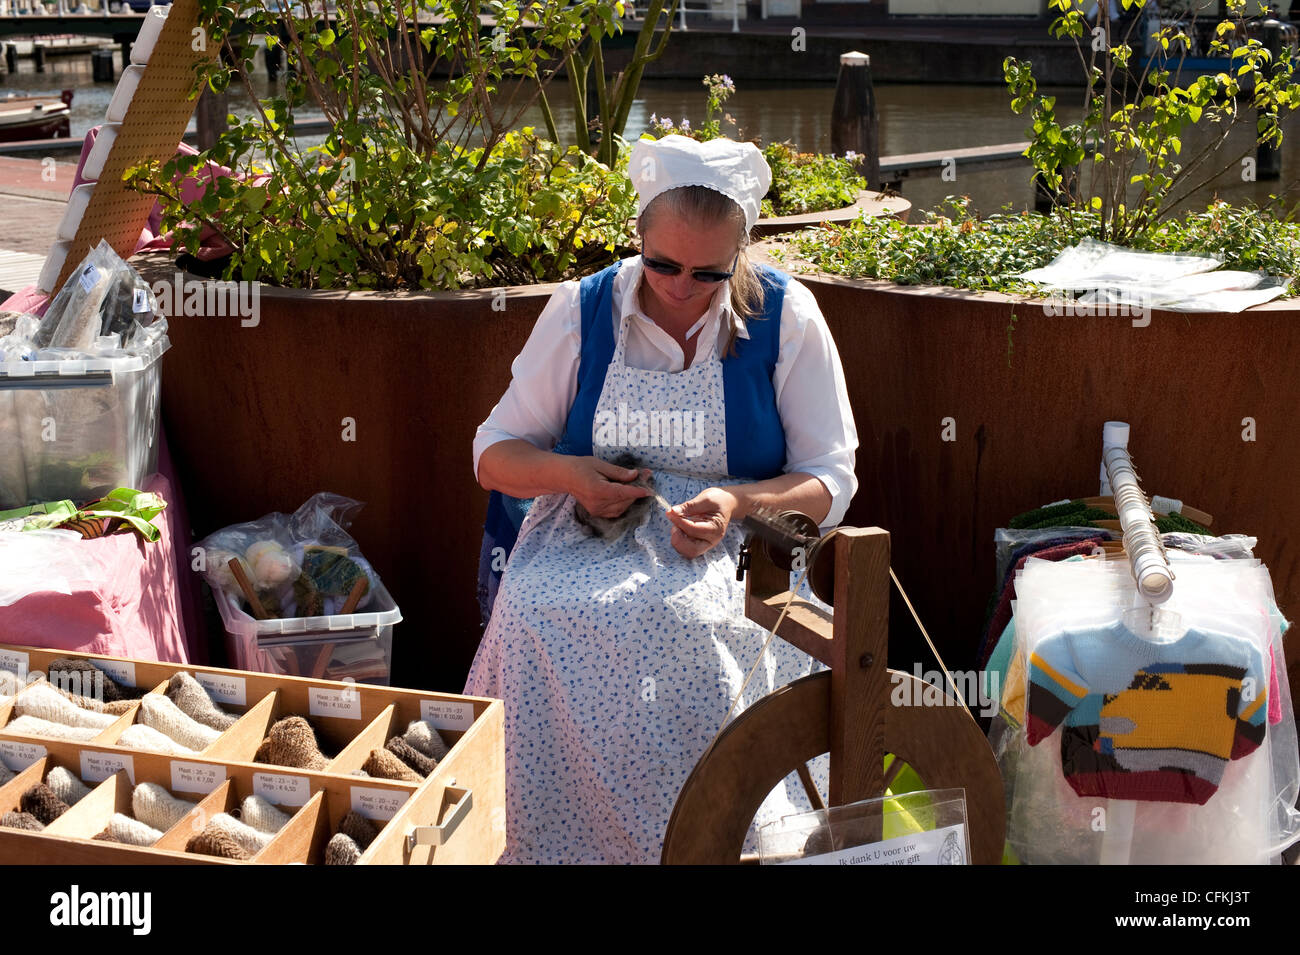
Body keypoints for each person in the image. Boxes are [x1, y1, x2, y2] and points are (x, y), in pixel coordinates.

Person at [466, 134, 859, 864]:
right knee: (533, 612)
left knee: (694, 629)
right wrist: (573, 475)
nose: (681, 286)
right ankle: (544, 845)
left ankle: (707, 846)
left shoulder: (786, 316)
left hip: (737, 550)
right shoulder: (582, 310)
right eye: (664, 264)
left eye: (709, 270)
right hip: (580, 529)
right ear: (637, 233)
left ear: (742, 250)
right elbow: (494, 453)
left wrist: (738, 505)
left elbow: (830, 478)